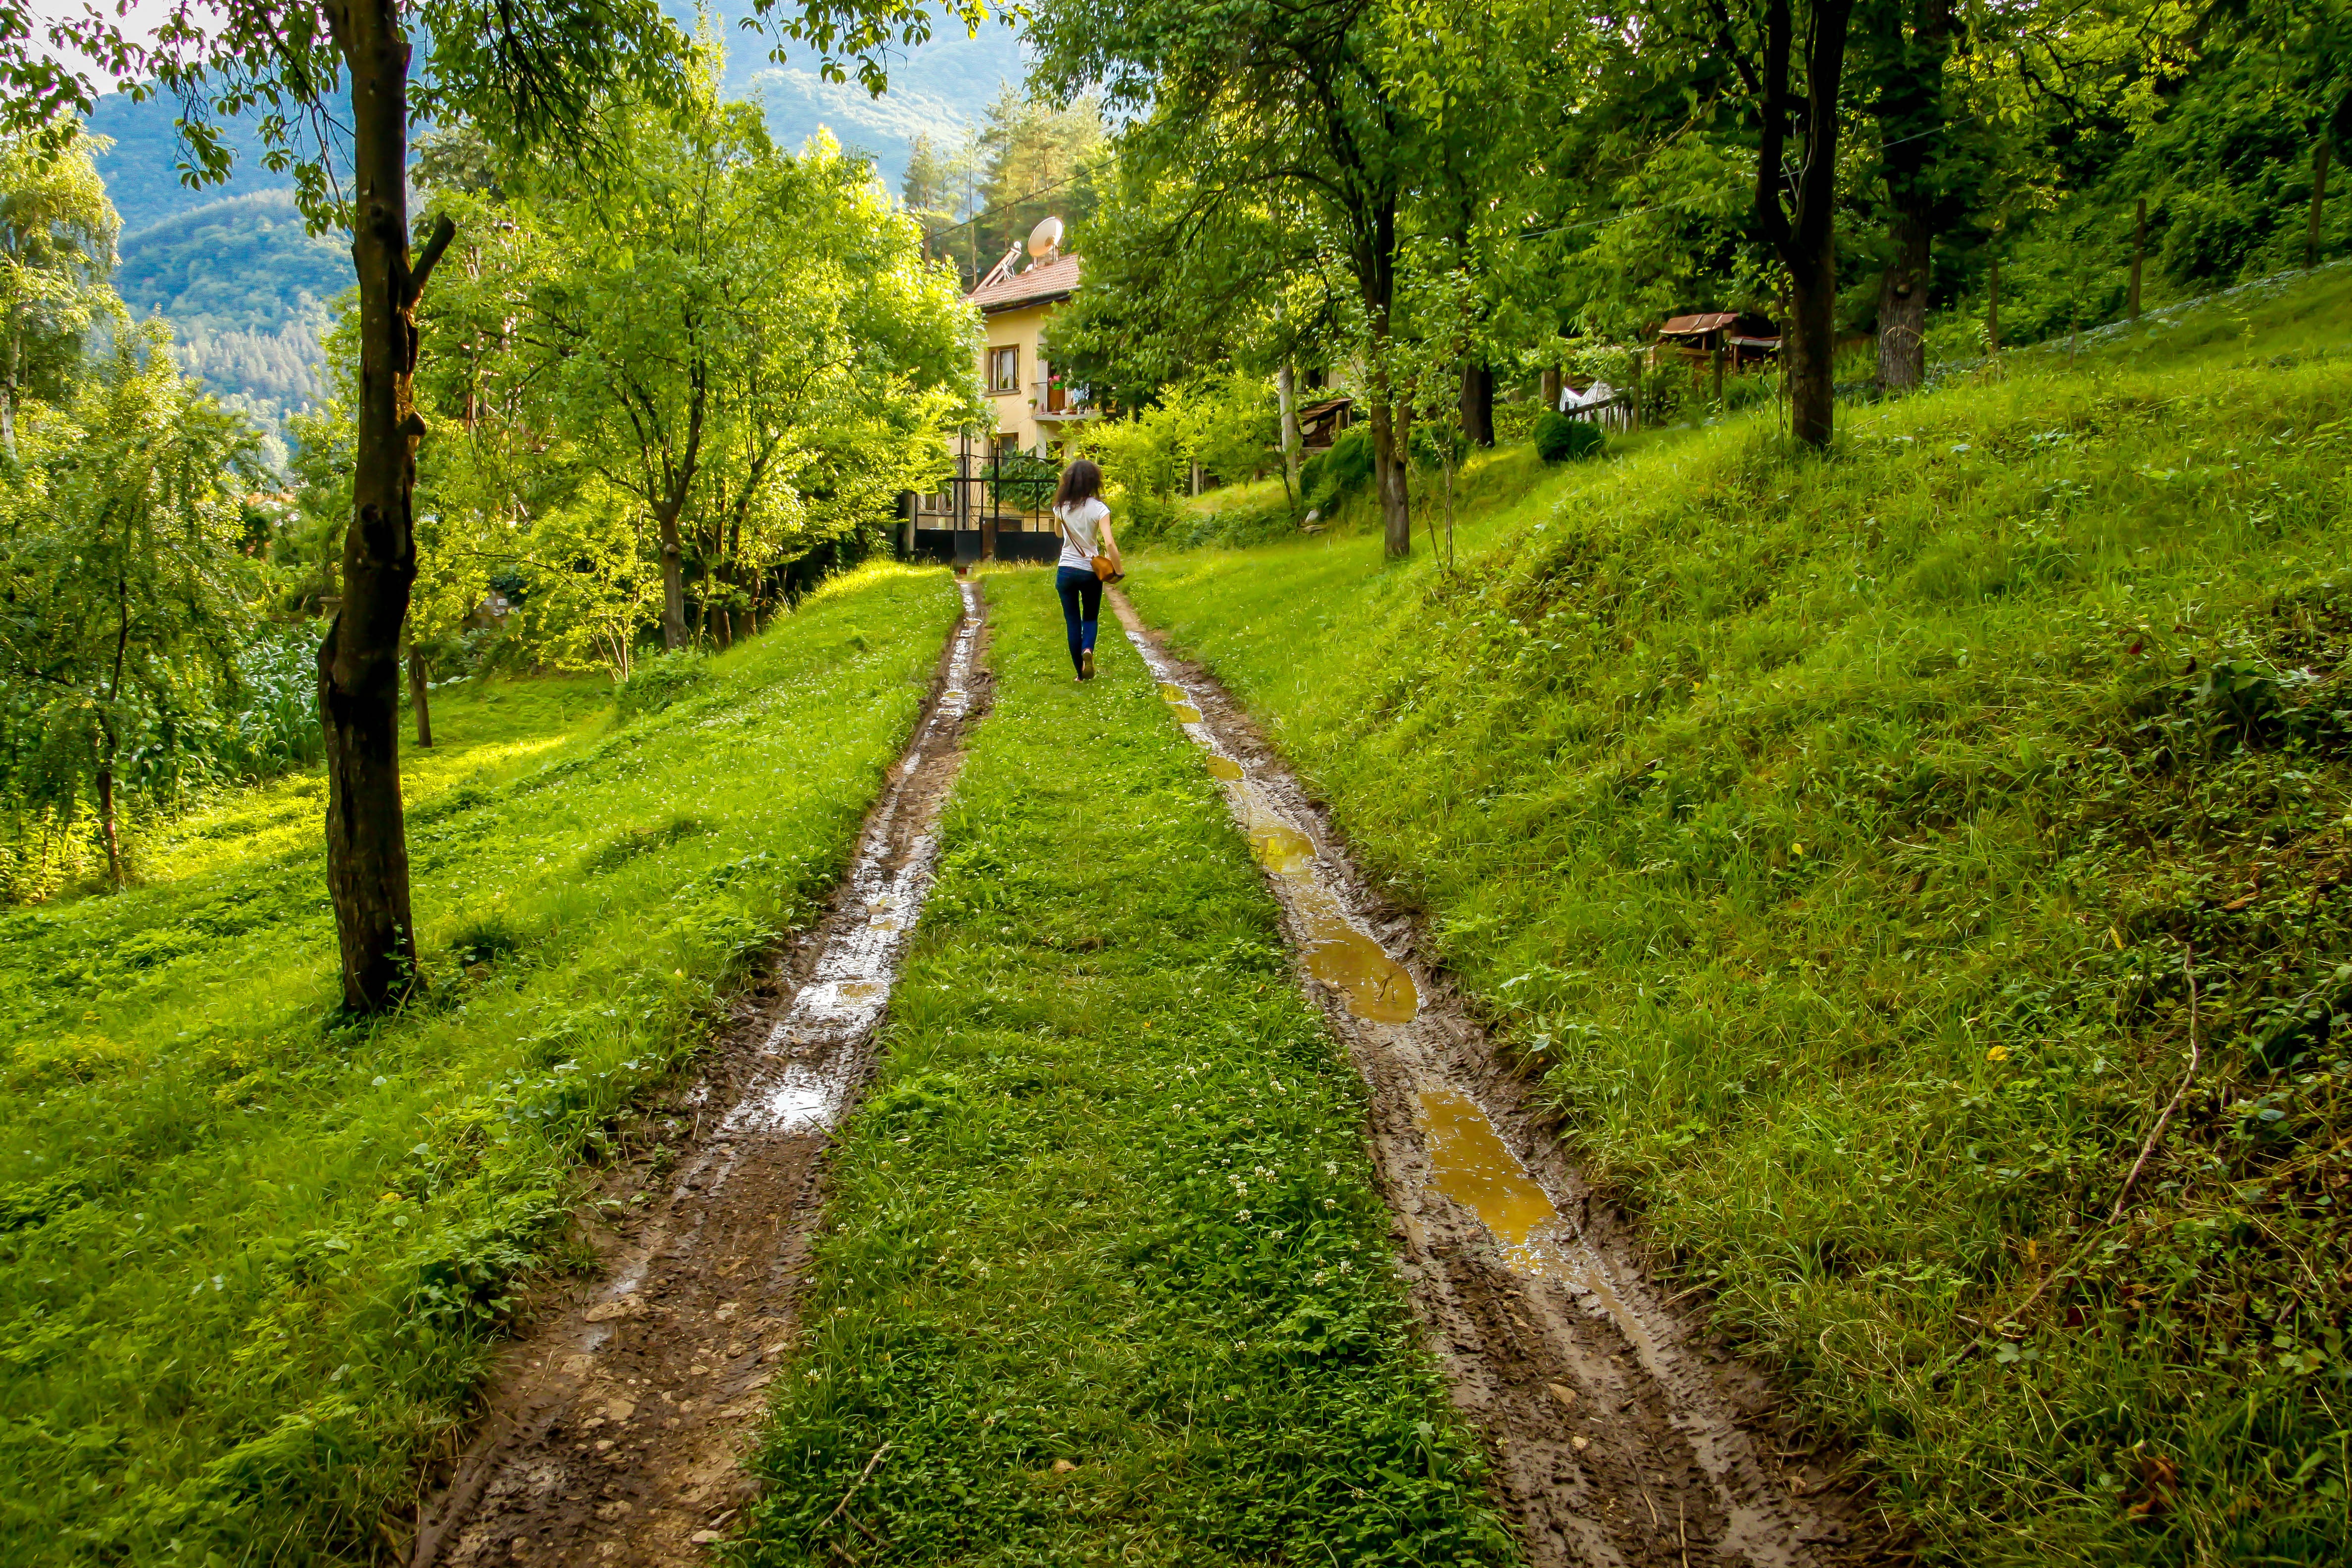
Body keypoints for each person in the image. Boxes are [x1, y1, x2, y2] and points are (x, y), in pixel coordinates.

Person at [1051, 458, 1122, 681]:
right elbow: (1109, 543)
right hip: (1090, 572)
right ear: (1094, 481)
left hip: (1066, 571)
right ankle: (1088, 650)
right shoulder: (1099, 508)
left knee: (1073, 622)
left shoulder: (1060, 507)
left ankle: (1080, 675)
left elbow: (1058, 534)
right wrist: (1118, 572)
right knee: (1090, 618)